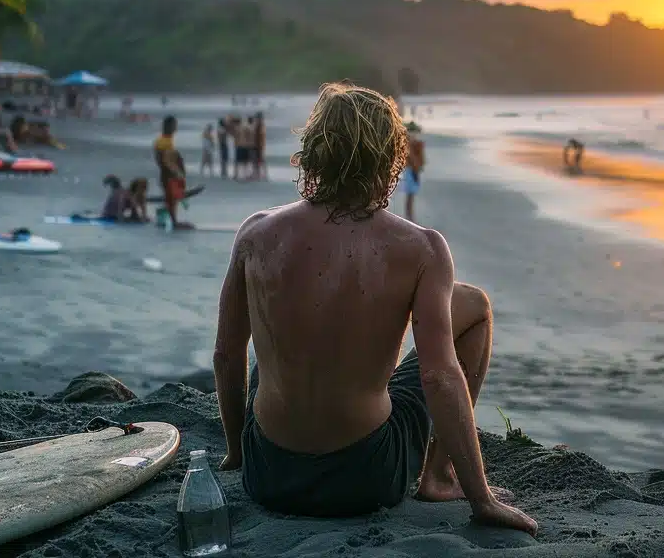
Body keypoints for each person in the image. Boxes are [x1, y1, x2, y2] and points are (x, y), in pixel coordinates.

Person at [211, 83, 535, 532]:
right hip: (367, 477)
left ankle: (250, 449)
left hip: (268, 474)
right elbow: (439, 376)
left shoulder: (256, 233)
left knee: (264, 354)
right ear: (389, 156)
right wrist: (483, 500)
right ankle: (439, 477)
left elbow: (226, 354)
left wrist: (238, 455)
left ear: (315, 148)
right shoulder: (422, 248)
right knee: (474, 306)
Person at [153, 116, 193, 230]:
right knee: (172, 199)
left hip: (167, 174)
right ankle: (173, 221)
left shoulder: (165, 140)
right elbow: (166, 160)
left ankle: (168, 219)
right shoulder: (164, 142)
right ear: (169, 126)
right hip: (169, 175)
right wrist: (177, 172)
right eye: (174, 125)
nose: (176, 128)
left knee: (171, 199)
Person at [401, 121, 425, 222]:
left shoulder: (418, 144)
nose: (413, 135)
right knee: (409, 196)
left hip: (414, 171)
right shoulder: (408, 144)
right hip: (410, 171)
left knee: (411, 196)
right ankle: (409, 217)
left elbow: (421, 160)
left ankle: (409, 217)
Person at [253, 112, 267, 181]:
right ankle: (260, 174)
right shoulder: (259, 125)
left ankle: (261, 174)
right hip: (258, 145)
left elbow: (261, 137)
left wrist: (261, 146)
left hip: (259, 146)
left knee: (260, 160)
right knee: (258, 161)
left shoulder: (260, 126)